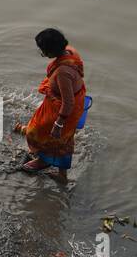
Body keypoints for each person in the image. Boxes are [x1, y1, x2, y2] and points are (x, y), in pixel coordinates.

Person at [17, 28, 87, 183]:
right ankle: (61, 173)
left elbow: (68, 102)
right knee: (64, 140)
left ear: (50, 50)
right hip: (61, 103)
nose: (42, 53)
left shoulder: (62, 72)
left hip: (64, 110)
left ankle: (45, 161)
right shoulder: (70, 51)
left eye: (42, 50)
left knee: (38, 134)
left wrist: (58, 124)